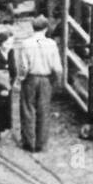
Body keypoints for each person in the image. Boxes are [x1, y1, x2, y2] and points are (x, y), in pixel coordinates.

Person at [15, 15, 62, 154]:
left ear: (33, 27)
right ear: (46, 28)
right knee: (44, 110)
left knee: (27, 109)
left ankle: (29, 142)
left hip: (30, 79)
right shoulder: (51, 44)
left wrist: (20, 80)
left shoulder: (26, 43)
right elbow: (57, 67)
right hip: (46, 79)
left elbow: (23, 67)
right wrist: (58, 81)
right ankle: (41, 143)